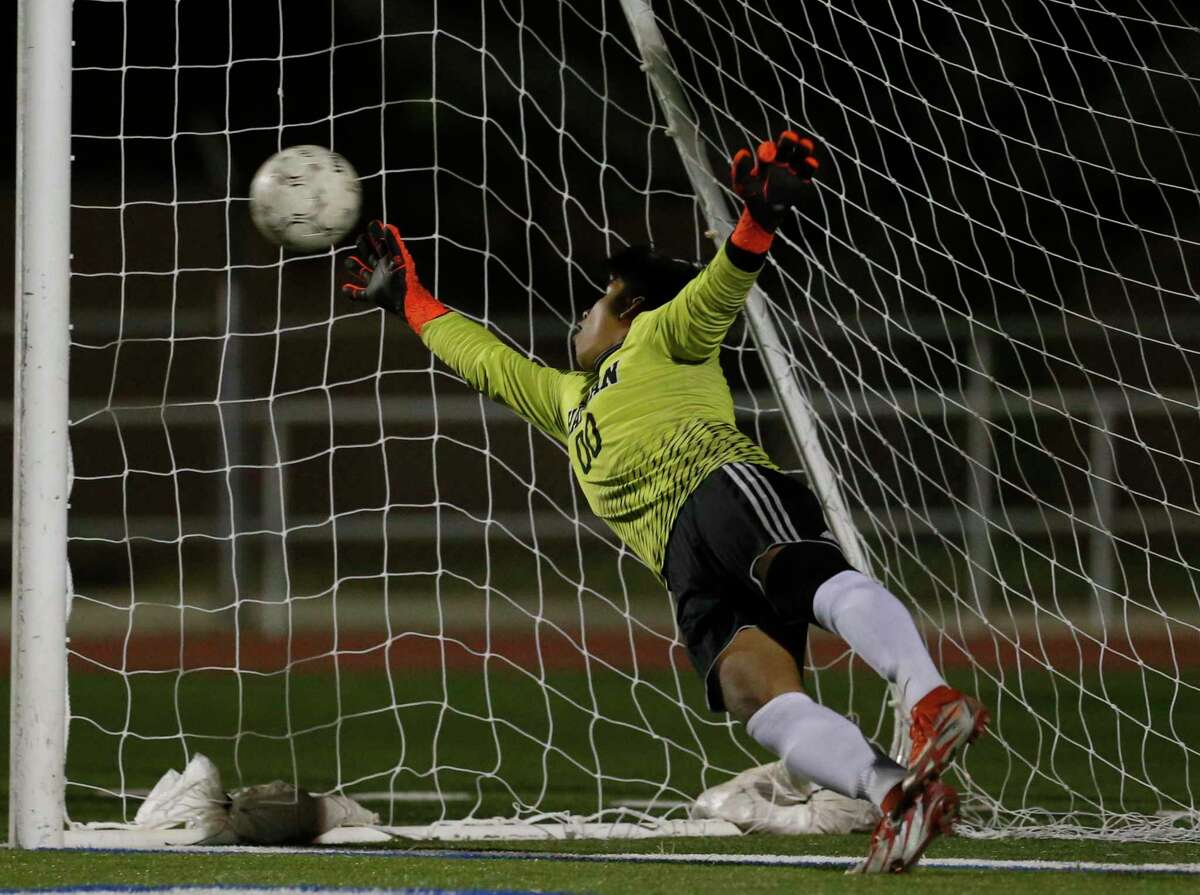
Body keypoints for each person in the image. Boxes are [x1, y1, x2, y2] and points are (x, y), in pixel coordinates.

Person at [341, 130, 989, 873]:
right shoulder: (566, 398)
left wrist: (757, 222)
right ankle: (895, 794)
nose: (581, 317)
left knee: (800, 577)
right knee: (754, 694)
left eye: (595, 301)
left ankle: (928, 696)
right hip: (682, 561)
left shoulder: (662, 335)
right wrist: (410, 300)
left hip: (720, 485)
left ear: (632, 306)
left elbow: (719, 290)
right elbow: (484, 359)